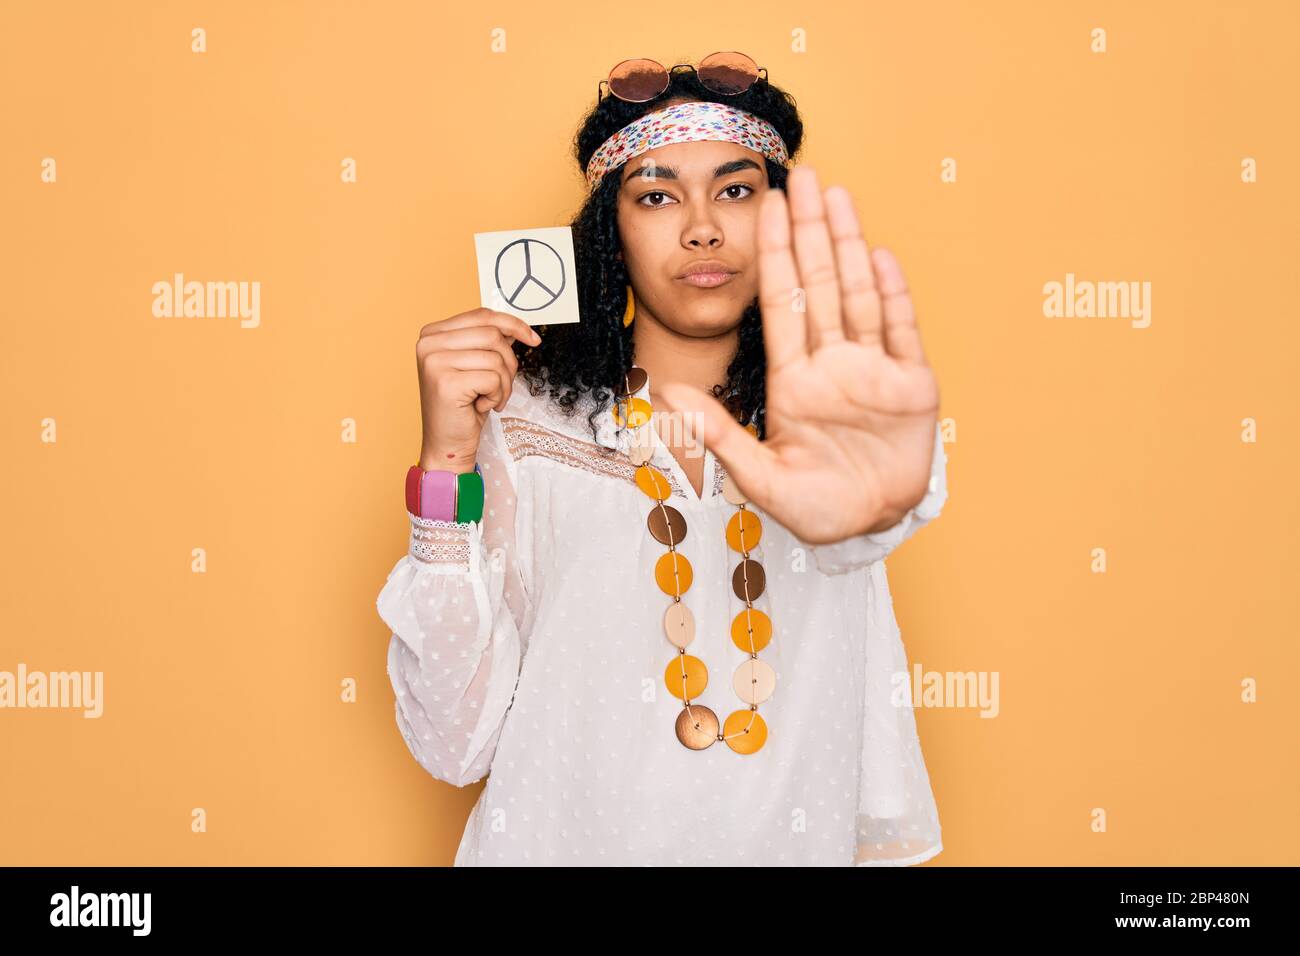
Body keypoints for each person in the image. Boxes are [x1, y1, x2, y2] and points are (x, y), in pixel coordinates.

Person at [377, 53, 950, 866]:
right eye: (656, 194)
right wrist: (444, 462)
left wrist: (882, 501)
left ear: (781, 216)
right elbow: (451, 743)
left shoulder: (841, 415)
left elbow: (867, 517)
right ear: (610, 232)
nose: (702, 227)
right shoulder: (523, 425)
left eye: (736, 188)